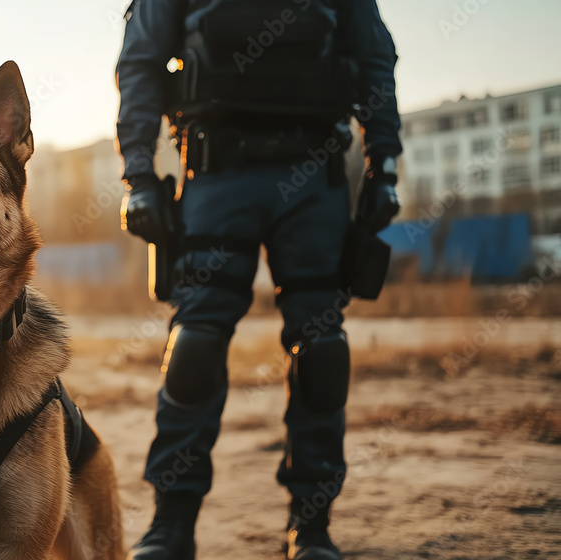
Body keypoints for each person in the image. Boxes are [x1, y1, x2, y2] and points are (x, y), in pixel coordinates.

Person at [116, 1, 402, 559]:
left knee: (321, 349)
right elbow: (141, 62)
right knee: (195, 345)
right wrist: (139, 174)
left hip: (315, 173)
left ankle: (312, 529)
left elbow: (374, 60)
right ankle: (170, 527)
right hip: (216, 171)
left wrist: (384, 162)